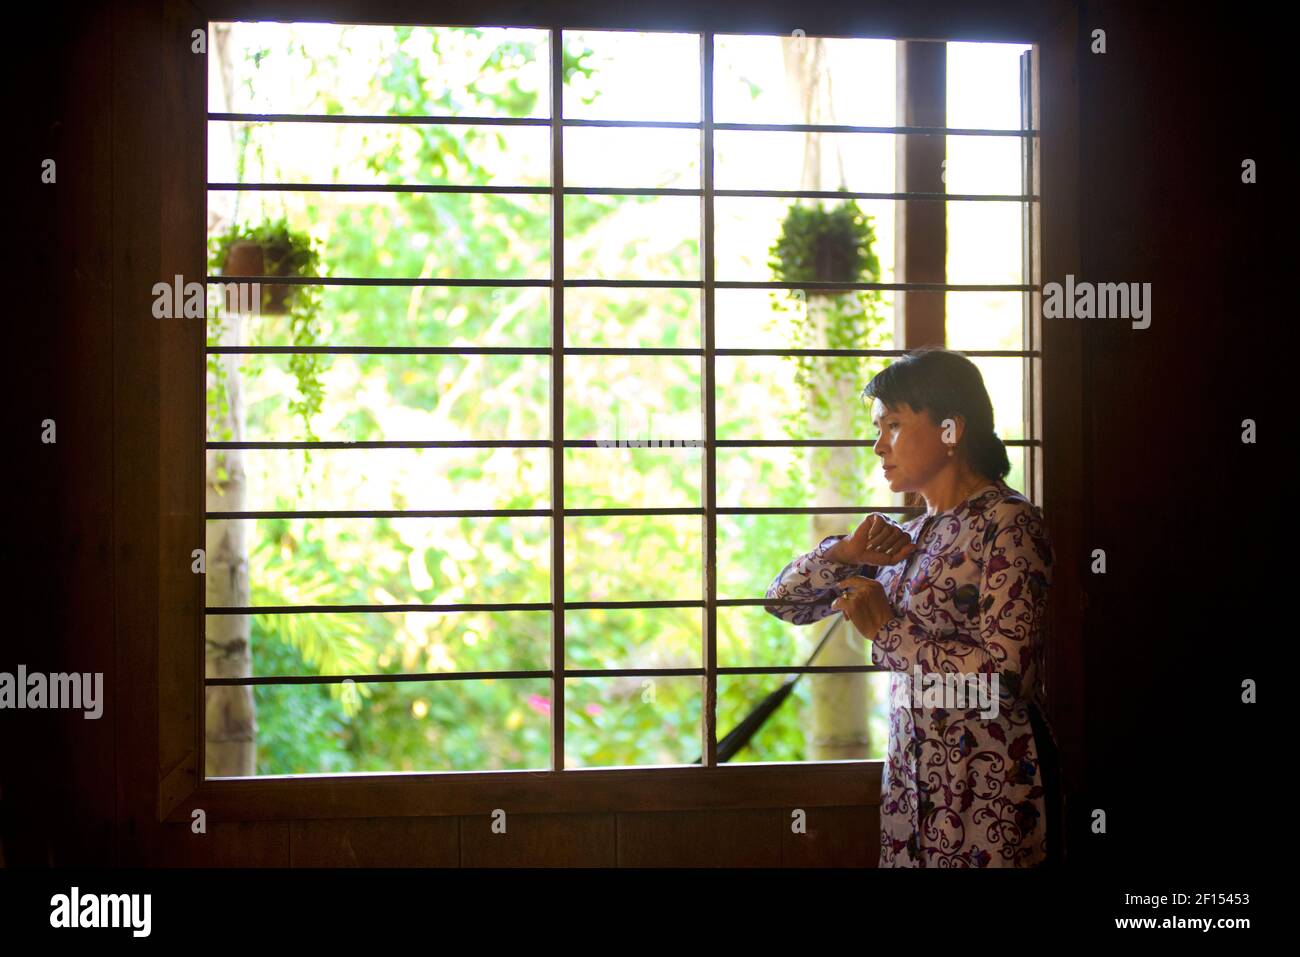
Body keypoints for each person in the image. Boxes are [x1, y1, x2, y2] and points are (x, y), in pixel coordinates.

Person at [763, 347, 1063, 868]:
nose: (879, 445)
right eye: (878, 428)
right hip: (911, 776)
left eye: (894, 425)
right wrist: (843, 554)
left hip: (990, 779)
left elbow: (1008, 677)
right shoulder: (908, 538)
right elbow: (783, 603)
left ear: (951, 430)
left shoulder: (1009, 524)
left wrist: (888, 632)